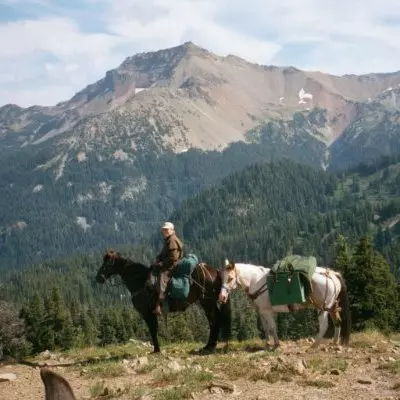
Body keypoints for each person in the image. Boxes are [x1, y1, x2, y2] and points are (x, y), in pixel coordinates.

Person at [152, 222, 184, 315]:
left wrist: (161, 264)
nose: (164, 231)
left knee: (162, 278)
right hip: (168, 263)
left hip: (172, 265)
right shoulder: (168, 239)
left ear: (172, 230)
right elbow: (164, 253)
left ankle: (160, 305)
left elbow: (173, 258)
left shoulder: (172, 240)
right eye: (163, 230)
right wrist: (158, 258)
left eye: (166, 229)